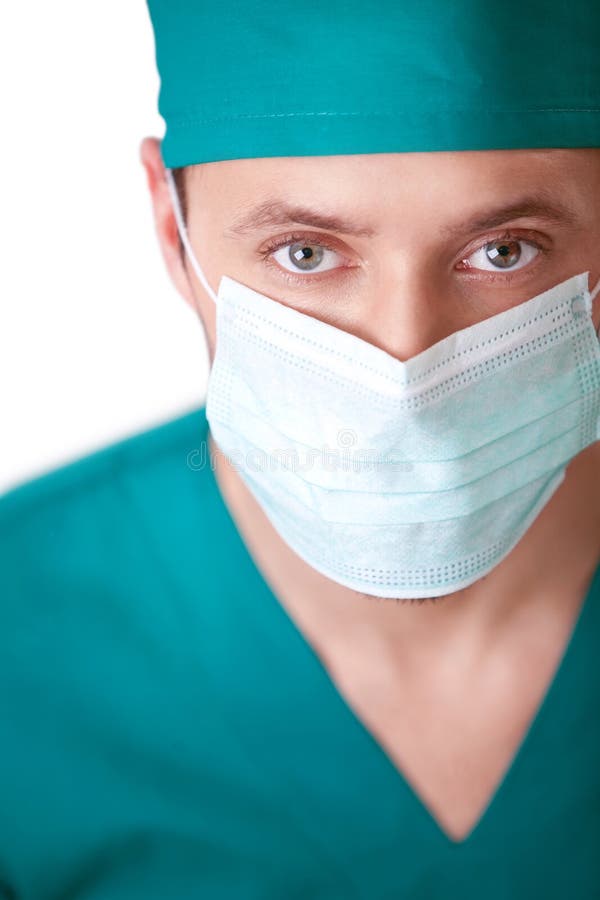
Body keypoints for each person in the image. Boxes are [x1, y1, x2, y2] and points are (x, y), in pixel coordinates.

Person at [1, 2, 599, 897]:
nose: (406, 365)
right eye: (306, 255)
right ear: (171, 228)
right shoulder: (21, 628)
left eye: (504, 251)